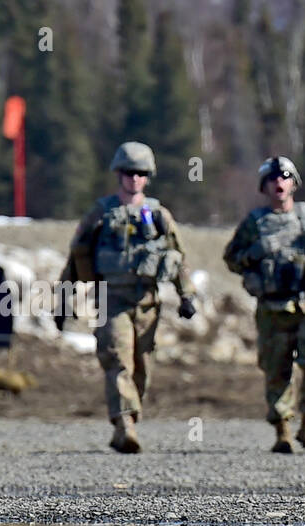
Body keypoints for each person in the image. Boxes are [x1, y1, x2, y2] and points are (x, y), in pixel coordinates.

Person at [58, 142, 196, 453]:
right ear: (118, 175)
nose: (134, 179)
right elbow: (77, 254)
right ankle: (124, 424)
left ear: (148, 177)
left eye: (141, 174)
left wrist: (187, 294)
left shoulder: (158, 215)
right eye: (129, 173)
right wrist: (63, 299)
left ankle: (130, 415)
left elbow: (177, 257)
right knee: (117, 360)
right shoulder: (101, 213)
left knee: (141, 367)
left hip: (146, 301)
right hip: (110, 299)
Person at [223, 156, 305, 453]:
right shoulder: (255, 224)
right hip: (273, 309)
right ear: (264, 186)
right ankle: (282, 430)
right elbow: (232, 259)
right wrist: (254, 252)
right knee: (276, 368)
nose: (279, 182)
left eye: (285, 177)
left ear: (294, 183)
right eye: (272, 179)